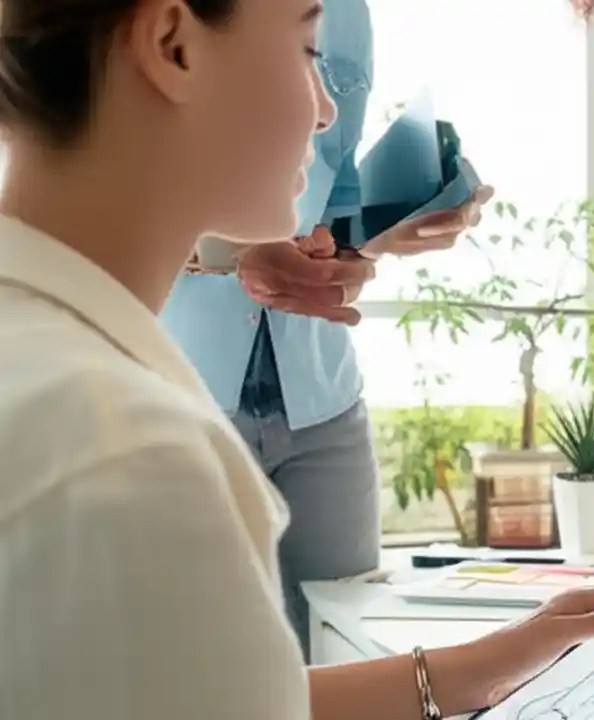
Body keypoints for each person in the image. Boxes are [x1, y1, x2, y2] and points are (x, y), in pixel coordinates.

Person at [0, 1, 594, 717]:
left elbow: (208, 703)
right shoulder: (124, 458)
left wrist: (488, 661)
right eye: (307, 45)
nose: (328, 109)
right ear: (172, 44)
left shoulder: (42, 363)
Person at [158, 0, 491, 658]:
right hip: (179, 392)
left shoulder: (348, 14)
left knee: (343, 640)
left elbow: (330, 209)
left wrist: (371, 244)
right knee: (207, 660)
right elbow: (106, 179)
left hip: (322, 399)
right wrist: (229, 249)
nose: (322, 109)